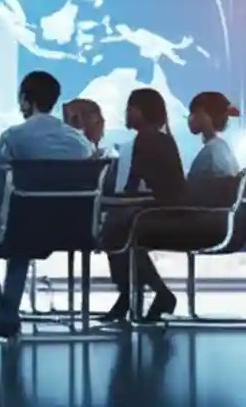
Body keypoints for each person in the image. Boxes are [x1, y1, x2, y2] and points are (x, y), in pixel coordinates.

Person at [0, 71, 95, 339]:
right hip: (74, 231)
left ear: (26, 100)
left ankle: (0, 304)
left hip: (24, 232)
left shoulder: (14, 137)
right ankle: (5, 310)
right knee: (23, 227)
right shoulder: (81, 143)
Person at [101, 88, 186, 322]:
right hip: (159, 209)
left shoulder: (150, 141)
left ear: (141, 111)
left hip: (164, 214)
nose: (126, 113)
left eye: (130, 108)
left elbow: (138, 185)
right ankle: (139, 294)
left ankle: (137, 294)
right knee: (117, 228)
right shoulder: (155, 139)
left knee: (115, 231)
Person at [187, 91, 242, 180]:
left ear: (203, 114)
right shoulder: (222, 148)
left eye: (194, 112)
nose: (190, 118)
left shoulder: (209, 154)